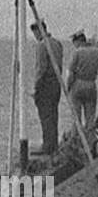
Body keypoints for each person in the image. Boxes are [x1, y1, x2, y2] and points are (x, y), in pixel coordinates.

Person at [30, 20, 64, 156]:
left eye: (35, 33)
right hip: (56, 82)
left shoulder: (42, 45)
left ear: (39, 31)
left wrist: (36, 87)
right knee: (53, 114)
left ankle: (47, 146)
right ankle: (53, 144)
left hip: (46, 83)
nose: (35, 36)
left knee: (45, 115)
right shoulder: (57, 43)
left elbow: (41, 68)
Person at [65, 30, 98, 131]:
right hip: (91, 84)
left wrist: (68, 87)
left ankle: (76, 140)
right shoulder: (96, 52)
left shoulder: (77, 52)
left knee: (76, 117)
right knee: (90, 117)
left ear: (78, 41)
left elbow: (71, 73)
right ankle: (90, 142)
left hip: (78, 84)